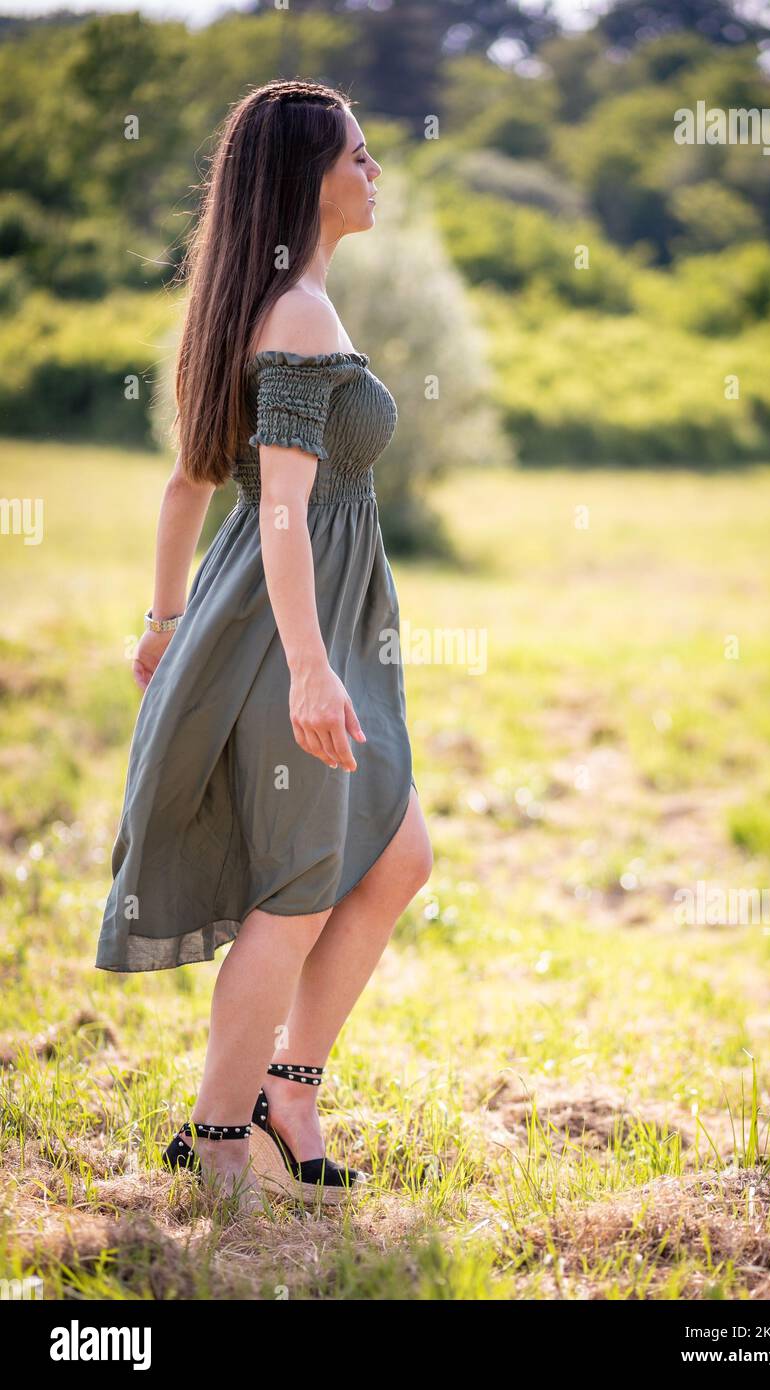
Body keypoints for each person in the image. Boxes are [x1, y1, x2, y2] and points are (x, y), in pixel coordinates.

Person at [95, 79, 433, 1210]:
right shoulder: (295, 313)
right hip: (290, 636)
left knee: (392, 860)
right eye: (359, 155)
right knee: (296, 894)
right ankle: (216, 1138)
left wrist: (162, 619)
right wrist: (307, 664)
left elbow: (191, 479)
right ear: (307, 178)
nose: (374, 172)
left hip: (293, 623)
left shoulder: (271, 303)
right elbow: (278, 508)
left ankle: (288, 1090)